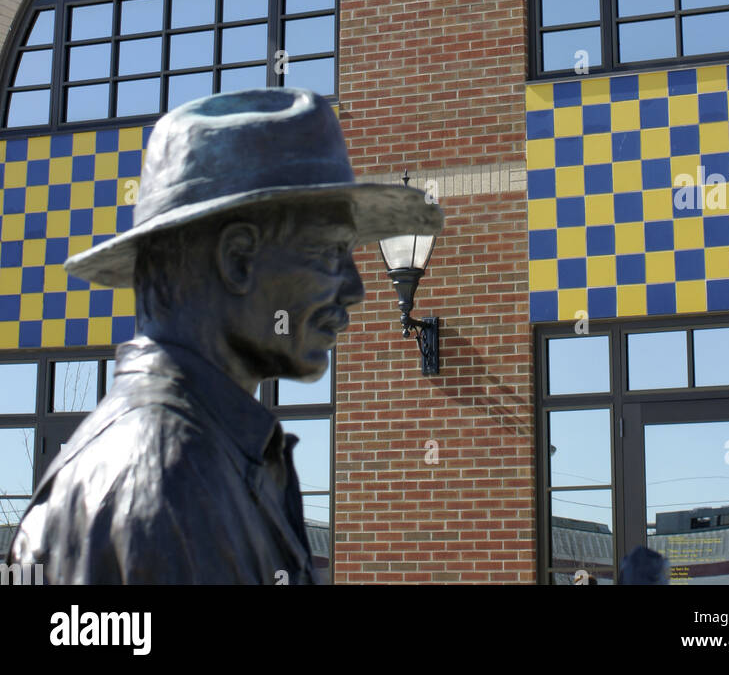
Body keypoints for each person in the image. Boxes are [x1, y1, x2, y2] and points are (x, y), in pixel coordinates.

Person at [9, 88, 442, 585]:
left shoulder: (209, 455)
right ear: (238, 259)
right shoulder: (170, 477)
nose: (355, 289)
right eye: (328, 254)